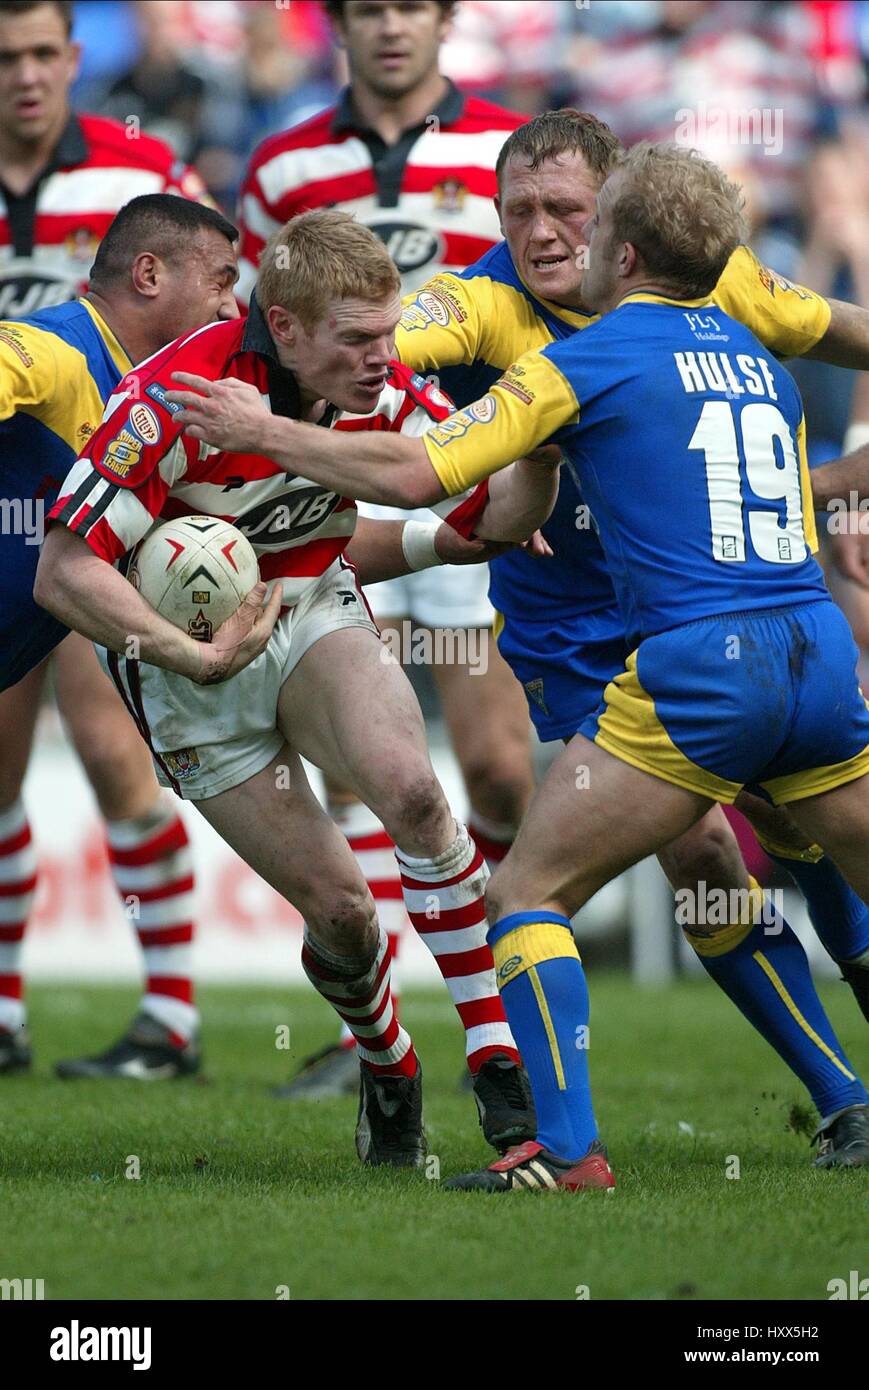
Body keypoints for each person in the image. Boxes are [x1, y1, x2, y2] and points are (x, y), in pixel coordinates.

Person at [169, 147, 869, 1181]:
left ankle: (564, 1151)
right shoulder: (535, 308)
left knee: (536, 889)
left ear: (616, 240)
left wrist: (259, 429)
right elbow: (383, 346)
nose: (540, 235)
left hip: (689, 642)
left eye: (568, 216)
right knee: (714, 856)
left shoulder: (611, 343)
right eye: (516, 211)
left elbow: (416, 469)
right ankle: (843, 1100)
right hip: (694, 627)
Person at [34, 210, 557, 1165]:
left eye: (387, 333)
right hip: (188, 675)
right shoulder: (166, 402)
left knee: (411, 791)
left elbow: (484, 510)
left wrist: (541, 458)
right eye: (355, 339)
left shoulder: (386, 388)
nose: (380, 358)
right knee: (347, 917)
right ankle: (388, 1060)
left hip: (310, 607)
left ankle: (496, 1065)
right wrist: (179, 653)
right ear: (284, 326)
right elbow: (63, 571)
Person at [237, 0, 535, 1097]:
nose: (390, 28)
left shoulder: (503, 144)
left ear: (447, 19)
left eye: (412, 6)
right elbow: (259, 332)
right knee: (366, 772)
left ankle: (503, 984)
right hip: (328, 495)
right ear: (342, 25)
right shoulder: (281, 166)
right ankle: (393, 1025)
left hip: (470, 482)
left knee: (497, 768)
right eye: (369, 8)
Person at [0, 0, 208, 1077]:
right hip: (4, 500)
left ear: (75, 59)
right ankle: (5, 1014)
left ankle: (169, 1020)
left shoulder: (138, 170)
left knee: (111, 750)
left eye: (43, 54)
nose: (26, 77)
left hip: (110, 497)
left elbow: (218, 299)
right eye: (7, 59)